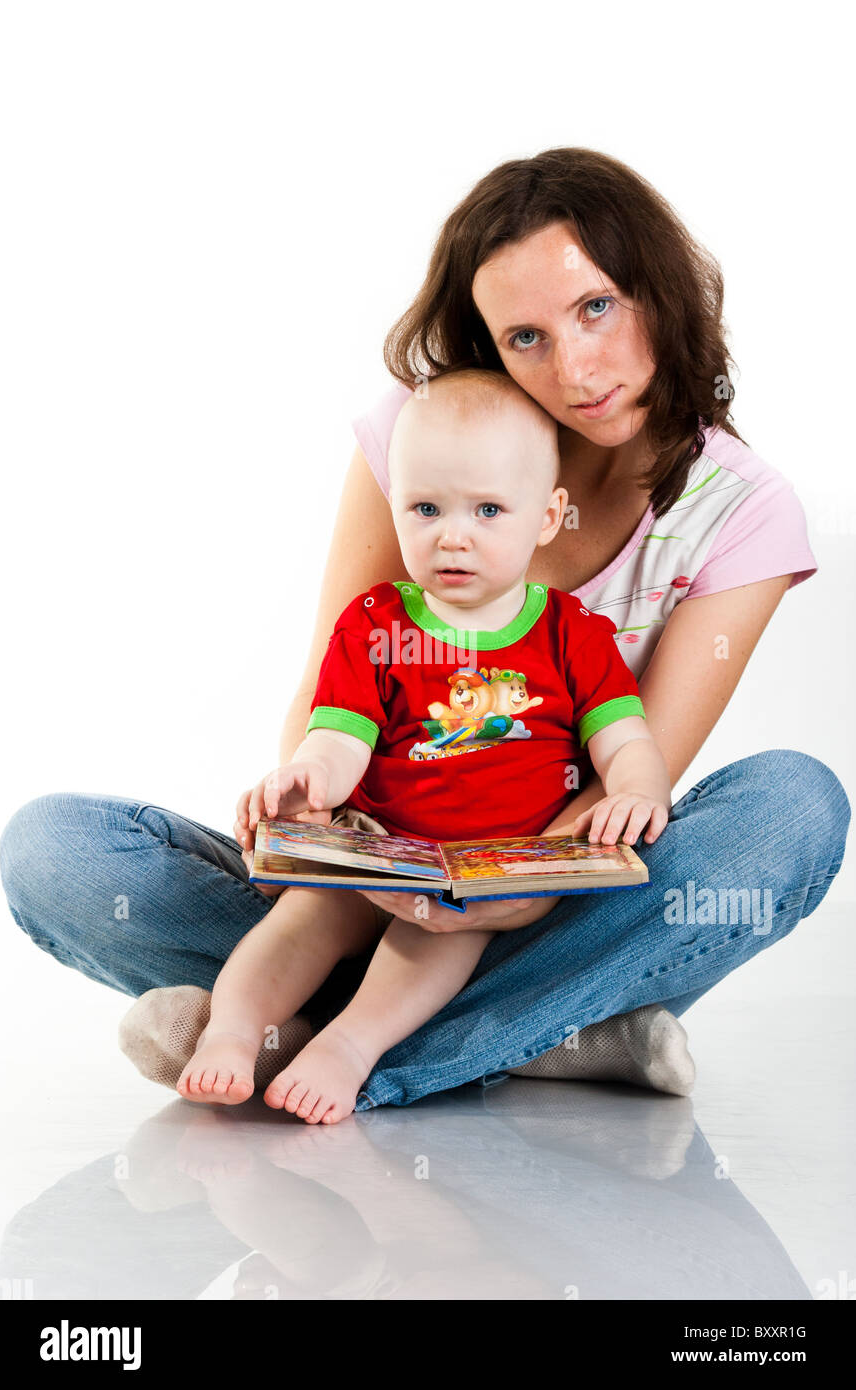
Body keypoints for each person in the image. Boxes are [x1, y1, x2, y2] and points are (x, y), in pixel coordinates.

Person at [0, 147, 849, 1115]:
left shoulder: (741, 510)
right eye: (524, 337)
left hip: (552, 895)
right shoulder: (425, 430)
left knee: (792, 809)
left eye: (597, 307)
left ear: (657, 289)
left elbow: (629, 782)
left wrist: (500, 893)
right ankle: (553, 1033)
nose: (574, 369)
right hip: (376, 863)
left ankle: (339, 1041)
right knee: (54, 850)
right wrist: (328, 838)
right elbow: (335, 689)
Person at [176, 369, 673, 1124]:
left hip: (484, 876)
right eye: (426, 508)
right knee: (305, 914)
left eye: (488, 510)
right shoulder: (376, 622)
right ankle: (234, 1031)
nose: (453, 535)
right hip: (375, 849)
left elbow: (626, 740)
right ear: (396, 506)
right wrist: (307, 778)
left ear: (548, 515)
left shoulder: (570, 633)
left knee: (438, 940)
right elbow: (338, 738)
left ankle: (347, 1046)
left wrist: (637, 790)